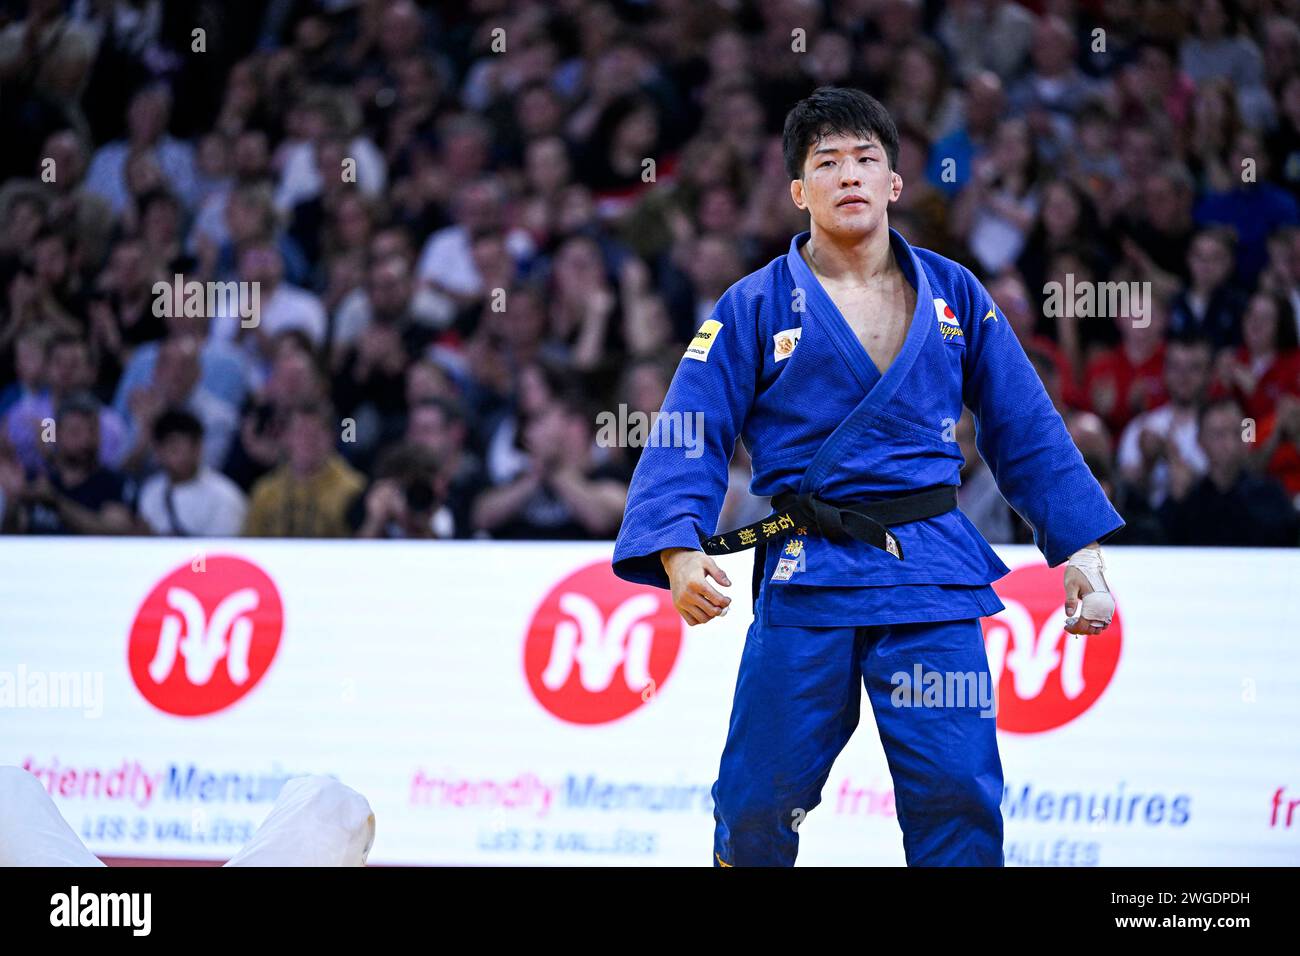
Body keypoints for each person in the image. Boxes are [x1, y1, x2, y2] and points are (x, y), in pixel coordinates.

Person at [612, 88, 1123, 868]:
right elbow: (690, 430)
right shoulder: (751, 305)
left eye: (866, 159)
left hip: (930, 575)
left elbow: (1025, 425)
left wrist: (1083, 555)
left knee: (958, 790)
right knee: (755, 802)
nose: (848, 174)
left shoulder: (955, 294)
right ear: (798, 192)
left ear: (893, 182)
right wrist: (677, 551)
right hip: (806, 571)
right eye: (827, 163)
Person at [137, 409, 247, 537]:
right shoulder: (150, 491)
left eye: (192, 447)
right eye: (175, 448)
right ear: (158, 450)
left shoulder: (225, 497)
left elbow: (222, 551)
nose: (184, 456)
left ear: (200, 447)